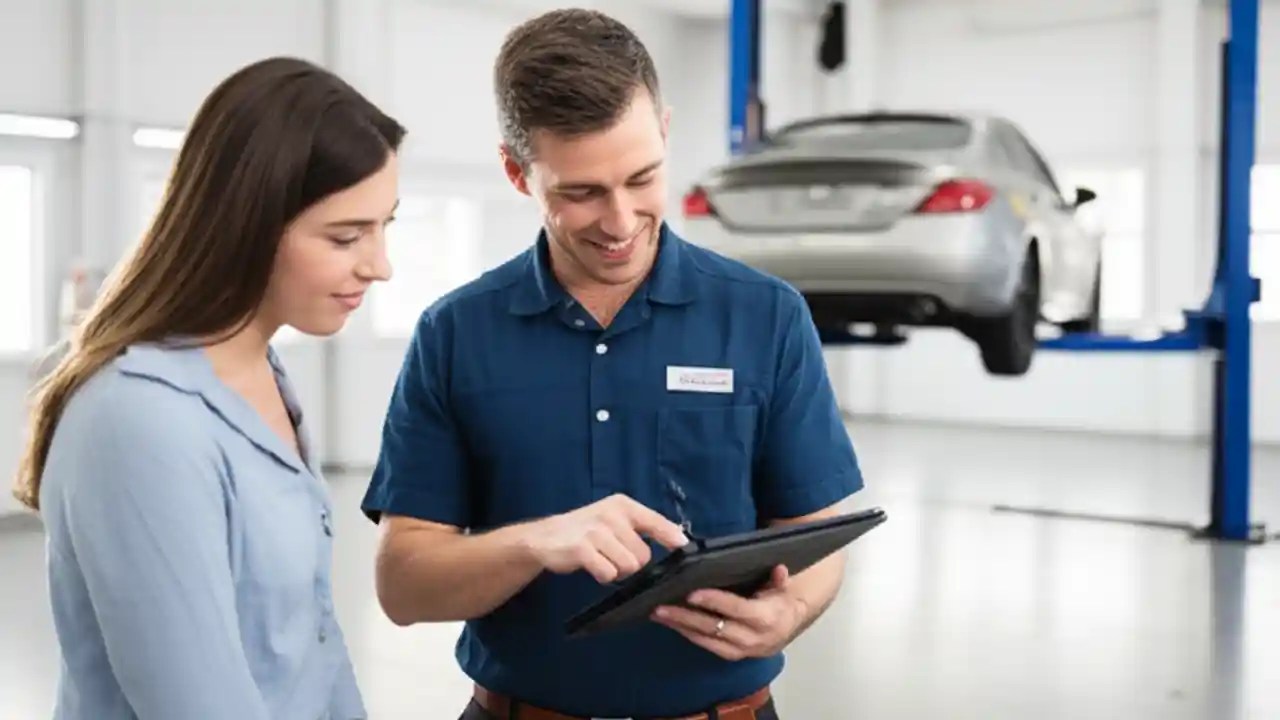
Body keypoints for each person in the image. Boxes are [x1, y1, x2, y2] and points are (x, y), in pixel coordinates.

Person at [361, 9, 863, 719]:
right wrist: (536, 542)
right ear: (516, 171)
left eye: (642, 178)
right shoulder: (455, 333)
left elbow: (815, 535)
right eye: (581, 192)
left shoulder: (766, 316)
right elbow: (403, 585)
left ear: (665, 129)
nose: (622, 221)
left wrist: (792, 609)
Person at [12, 56, 404, 719]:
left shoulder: (262, 374)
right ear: (248, 225)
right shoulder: (140, 420)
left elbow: (310, 651)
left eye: (384, 226)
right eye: (346, 237)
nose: (380, 266)